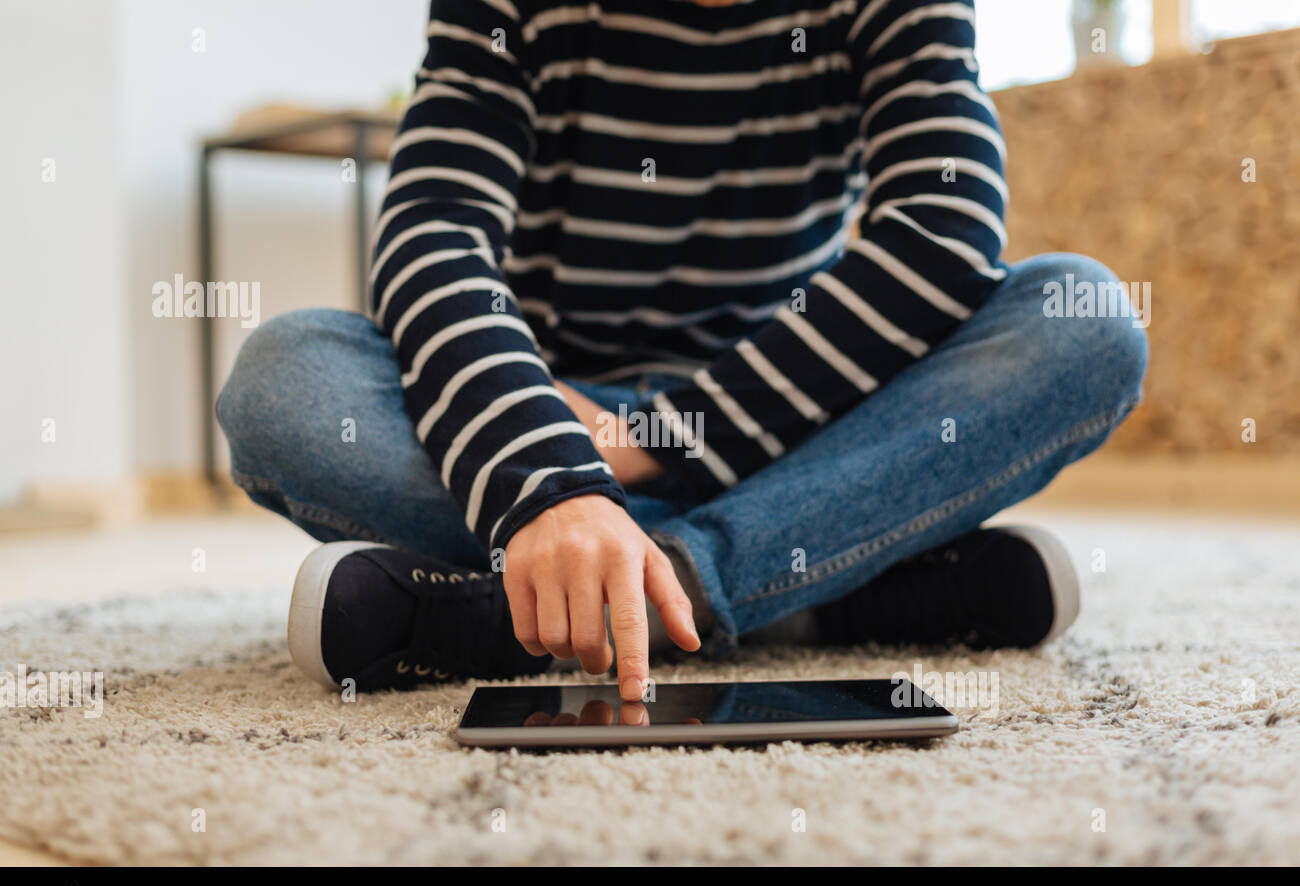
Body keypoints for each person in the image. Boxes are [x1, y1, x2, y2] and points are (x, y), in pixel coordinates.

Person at [217, 0, 1147, 703]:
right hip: (555, 405)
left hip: (784, 423)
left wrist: (650, 441)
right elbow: (435, 234)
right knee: (286, 380)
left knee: (1084, 323)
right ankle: (811, 578)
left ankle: (554, 607)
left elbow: (942, 230)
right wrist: (551, 478)